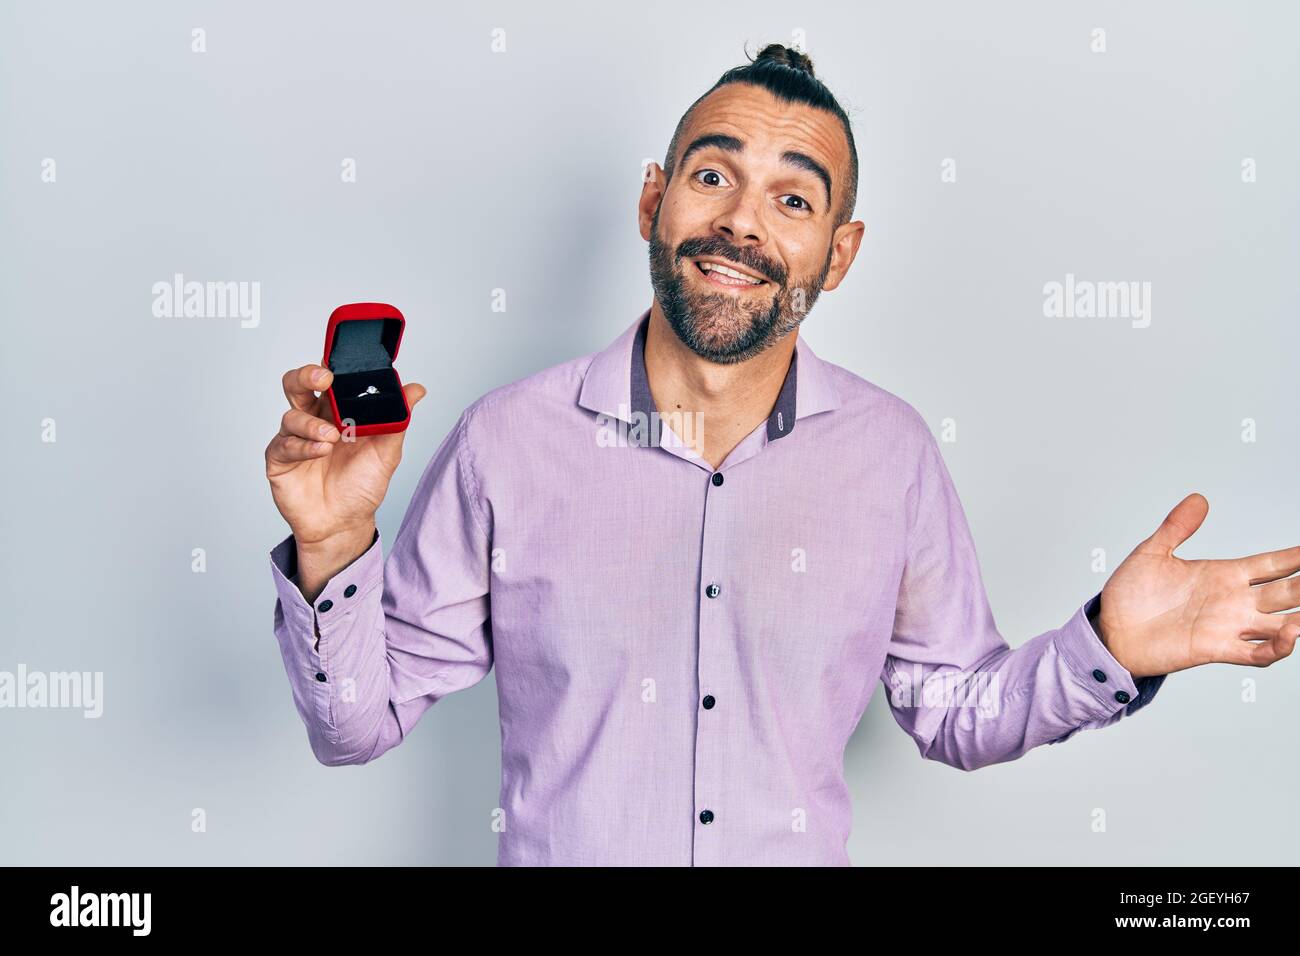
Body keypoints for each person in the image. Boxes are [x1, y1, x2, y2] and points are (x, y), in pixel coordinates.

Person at [263, 44, 1300, 866]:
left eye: (794, 199)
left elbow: (952, 708)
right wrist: (335, 540)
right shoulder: (505, 440)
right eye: (712, 175)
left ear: (838, 253)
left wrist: (1109, 644)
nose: (740, 222)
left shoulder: (889, 455)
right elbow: (355, 723)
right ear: (652, 202)